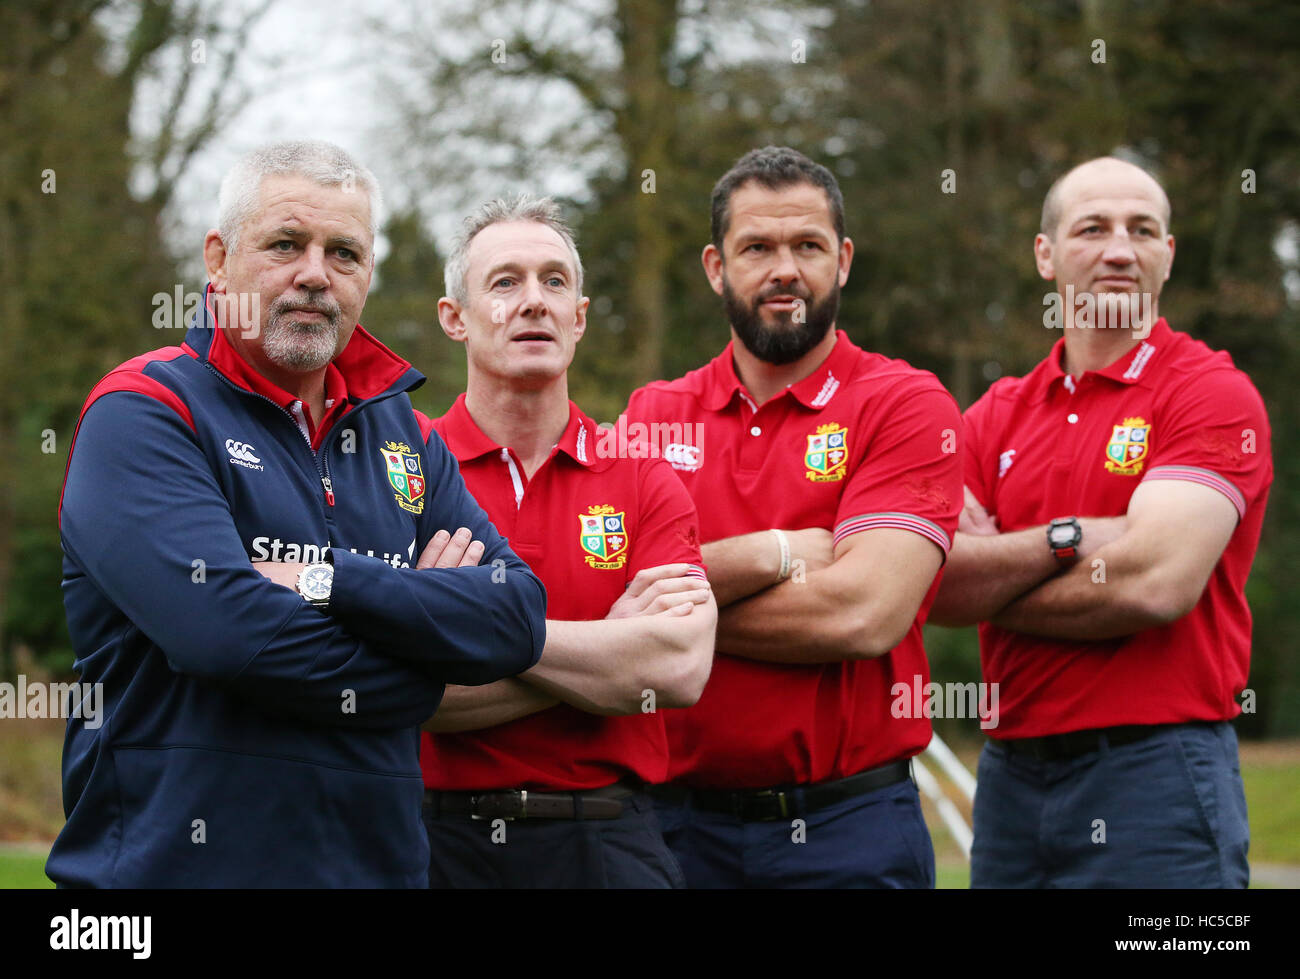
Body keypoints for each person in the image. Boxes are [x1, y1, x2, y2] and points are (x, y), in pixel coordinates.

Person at [50, 140, 546, 888]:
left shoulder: (405, 437)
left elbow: (518, 616)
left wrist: (326, 581)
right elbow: (226, 635)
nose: (315, 274)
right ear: (218, 259)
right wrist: (427, 666)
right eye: (286, 244)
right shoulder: (146, 411)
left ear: (367, 275)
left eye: (343, 252)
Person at [624, 146, 963, 888]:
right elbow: (610, 601)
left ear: (842, 260)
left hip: (849, 831)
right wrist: (776, 554)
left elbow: (863, 613)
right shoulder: (654, 414)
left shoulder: (905, 405)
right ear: (716, 267)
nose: (785, 269)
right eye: (757, 248)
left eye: (807, 246)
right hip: (675, 830)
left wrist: (672, 611)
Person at [930, 156, 1272, 888]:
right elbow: (936, 587)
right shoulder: (993, 416)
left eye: (1142, 230)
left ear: (1167, 256)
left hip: (1158, 774)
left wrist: (997, 573)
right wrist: (1077, 536)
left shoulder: (1211, 394)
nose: (1120, 248)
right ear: (1046, 255)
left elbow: (1152, 584)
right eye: (1093, 228)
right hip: (1011, 781)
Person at [419, 195, 717, 888]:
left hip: (608, 842)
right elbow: (395, 682)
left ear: (579, 318)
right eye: (505, 282)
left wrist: (470, 631)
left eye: (555, 281)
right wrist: (606, 650)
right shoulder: (401, 468)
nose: (534, 302)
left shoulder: (645, 477)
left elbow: (675, 670)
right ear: (454, 318)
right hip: (433, 843)